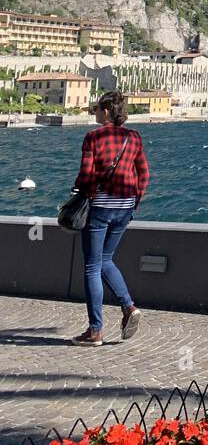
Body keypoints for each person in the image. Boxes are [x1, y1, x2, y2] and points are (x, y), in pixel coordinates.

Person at [71, 90, 150, 346]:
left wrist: (82, 193)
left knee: (93, 266)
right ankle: (128, 307)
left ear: (105, 111)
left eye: (96, 109)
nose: (94, 112)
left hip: (101, 207)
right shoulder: (134, 137)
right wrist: (135, 201)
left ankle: (95, 331)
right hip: (125, 207)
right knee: (106, 259)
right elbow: (144, 174)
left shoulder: (93, 137)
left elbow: (86, 174)